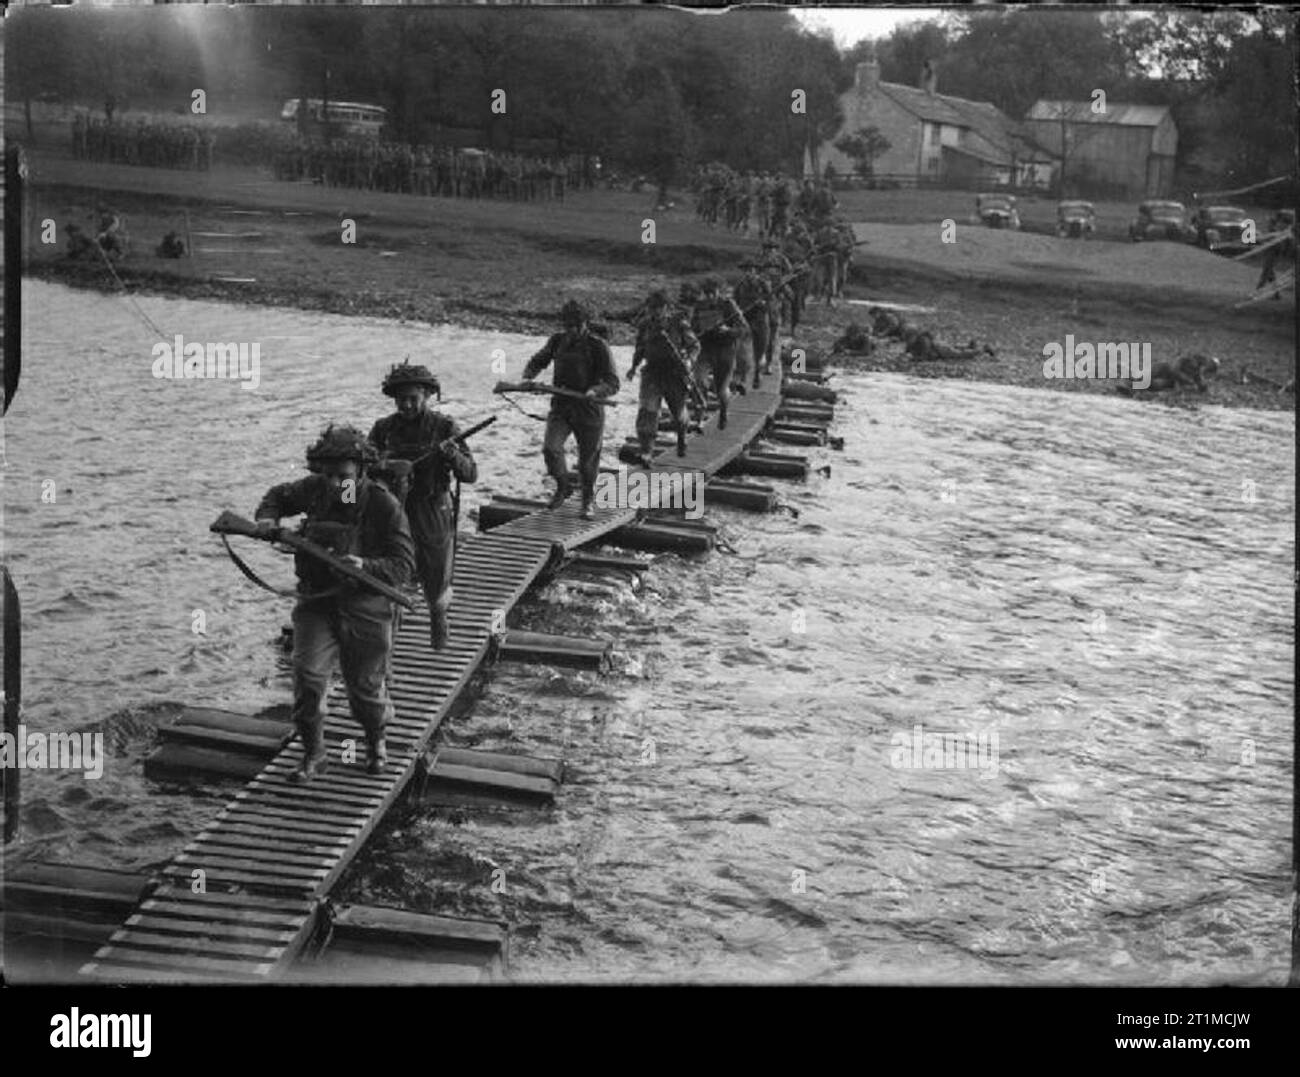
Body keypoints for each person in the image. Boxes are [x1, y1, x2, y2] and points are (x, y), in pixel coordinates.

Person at [254, 425, 415, 782]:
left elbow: (403, 566)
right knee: (308, 677)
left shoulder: (383, 505)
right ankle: (315, 754)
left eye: (343, 476)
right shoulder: (313, 490)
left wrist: (366, 566)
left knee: (367, 689)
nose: (334, 483)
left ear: (361, 469)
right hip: (316, 602)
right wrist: (268, 520)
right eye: (327, 475)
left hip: (367, 606)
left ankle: (376, 742)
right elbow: (276, 497)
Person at [368, 362, 477, 652]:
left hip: (432, 509)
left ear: (426, 396)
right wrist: (387, 466)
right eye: (400, 399)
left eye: (412, 399)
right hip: (393, 510)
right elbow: (361, 473)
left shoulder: (445, 427)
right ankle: (387, 645)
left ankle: (438, 620)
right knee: (390, 574)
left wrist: (453, 455)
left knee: (436, 578)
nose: (406, 405)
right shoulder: (383, 429)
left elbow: (471, 474)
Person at [521, 299, 620, 519]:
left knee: (587, 462)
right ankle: (563, 486)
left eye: (576, 326)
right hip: (561, 406)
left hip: (589, 410)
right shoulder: (557, 341)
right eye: (568, 326)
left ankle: (587, 501)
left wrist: (596, 391)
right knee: (550, 448)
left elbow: (613, 382)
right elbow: (538, 361)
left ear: (585, 323)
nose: (572, 330)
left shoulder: (598, 346)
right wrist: (529, 377)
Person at [628, 290, 699, 466]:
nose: (656, 312)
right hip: (652, 373)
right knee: (647, 411)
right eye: (653, 308)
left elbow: (694, 345)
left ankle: (682, 437)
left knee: (678, 413)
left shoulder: (679, 324)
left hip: (675, 373)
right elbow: (640, 347)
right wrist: (633, 367)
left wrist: (689, 361)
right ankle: (646, 452)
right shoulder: (645, 325)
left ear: (666, 308)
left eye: (659, 308)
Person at [691, 277, 747, 430]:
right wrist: (696, 333)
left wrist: (728, 331)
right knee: (699, 381)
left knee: (721, 389)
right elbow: (692, 327)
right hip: (705, 349)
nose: (710, 297)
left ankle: (723, 413)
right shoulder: (699, 307)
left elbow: (743, 329)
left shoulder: (728, 305)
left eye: (712, 293)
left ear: (718, 292)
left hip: (725, 351)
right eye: (706, 293)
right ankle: (700, 417)